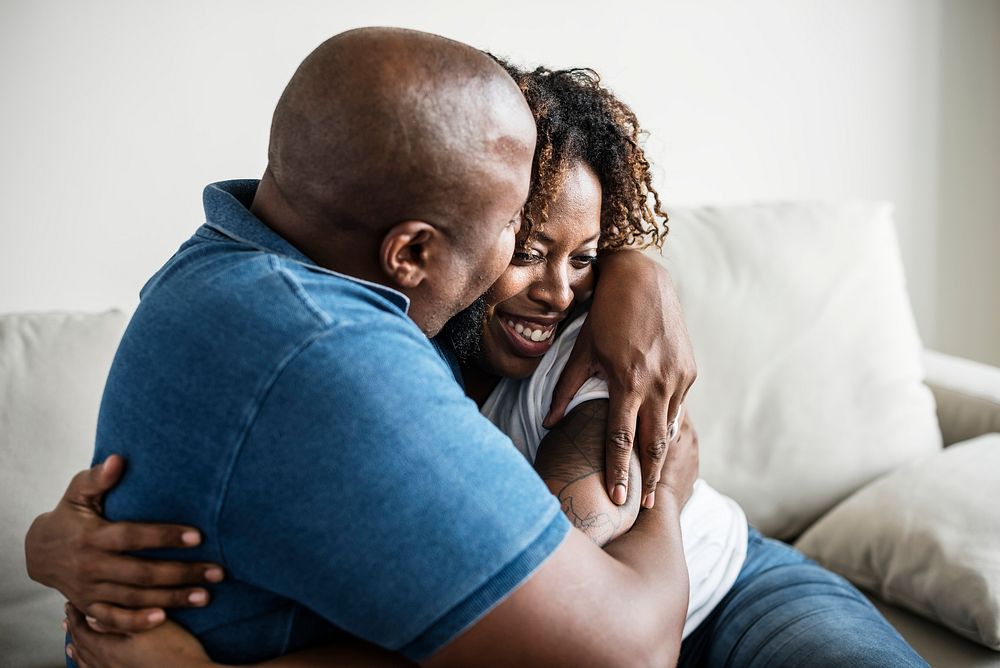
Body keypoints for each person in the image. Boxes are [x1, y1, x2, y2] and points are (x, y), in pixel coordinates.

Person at [29, 62, 929, 667]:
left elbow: (563, 591)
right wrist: (48, 546)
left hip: (728, 586)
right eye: (519, 240)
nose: (556, 287)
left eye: (588, 258)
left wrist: (664, 480)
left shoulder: (592, 353)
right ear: (416, 246)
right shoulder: (370, 342)